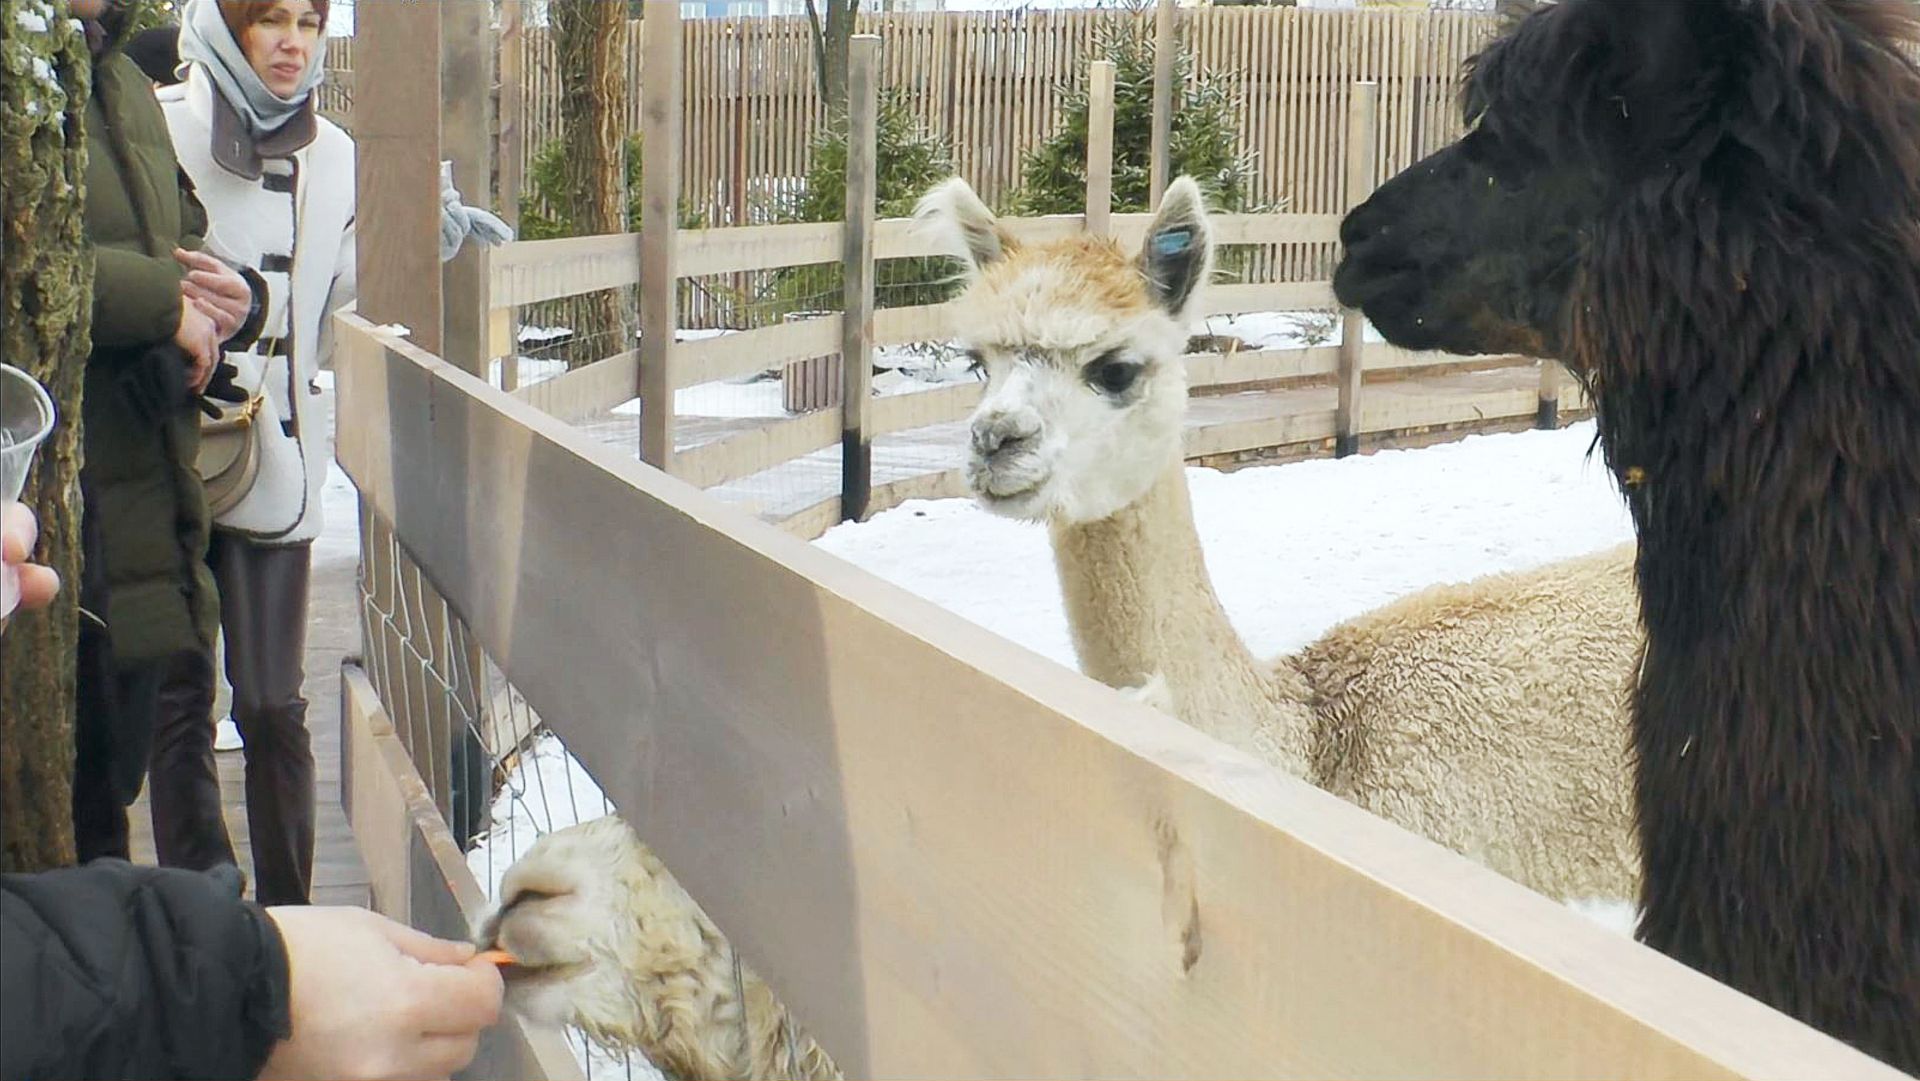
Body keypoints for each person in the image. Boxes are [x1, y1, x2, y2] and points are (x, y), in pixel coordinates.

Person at [156, 0, 511, 903]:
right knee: (177, 695)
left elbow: (335, 306)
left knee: (272, 701)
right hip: (166, 450)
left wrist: (418, 231)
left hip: (276, 454)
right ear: (229, 25)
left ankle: (290, 919)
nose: (292, 42)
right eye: (270, 19)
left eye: (309, 22)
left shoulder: (337, 156)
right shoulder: (163, 126)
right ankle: (204, 918)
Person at [2, 501, 506, 1081]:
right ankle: (226, 911)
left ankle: (273, 908)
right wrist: (250, 991)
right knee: (179, 713)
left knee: (268, 708)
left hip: (248, 501)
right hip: (156, 518)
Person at [68, 0, 264, 872]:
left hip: (142, 494)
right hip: (51, 508)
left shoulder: (119, 79)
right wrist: (162, 307)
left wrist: (217, 304)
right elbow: (28, 261)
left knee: (106, 792)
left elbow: (172, 233)